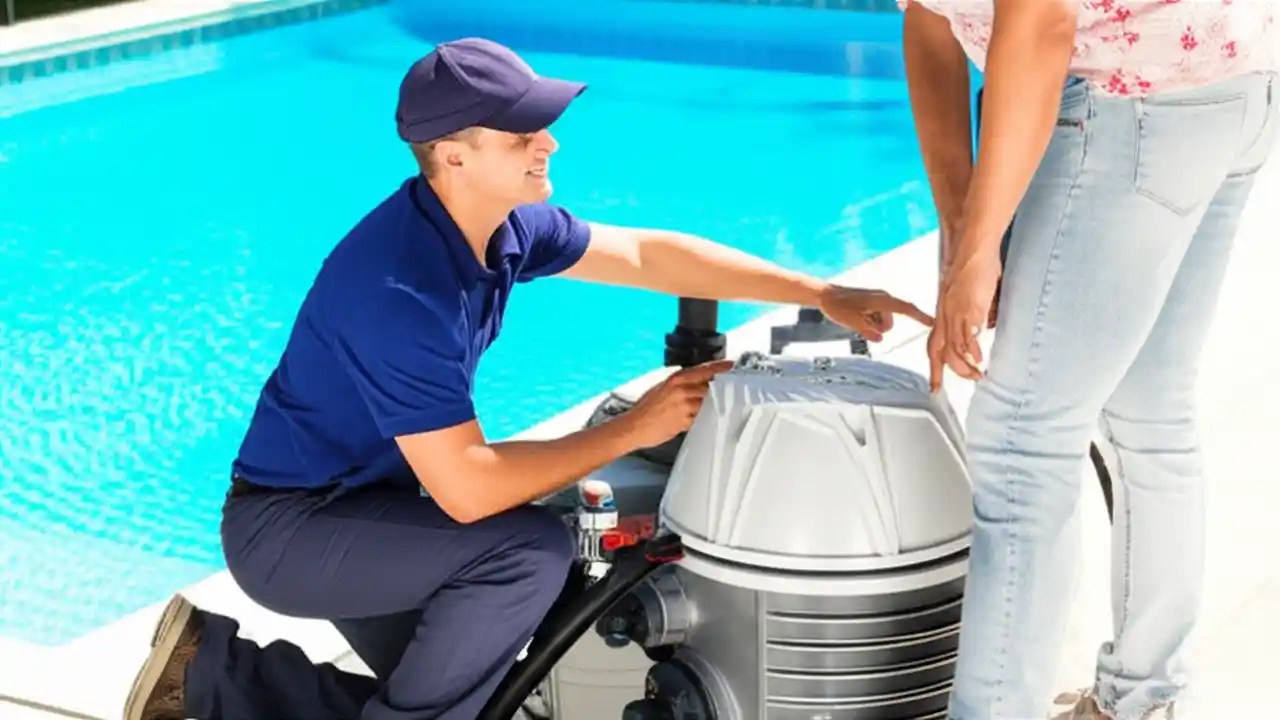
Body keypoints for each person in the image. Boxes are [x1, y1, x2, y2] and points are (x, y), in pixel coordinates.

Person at [122, 37, 932, 720]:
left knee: (488, 698)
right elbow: (470, 491)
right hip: (297, 531)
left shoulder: (495, 228)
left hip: (375, 508)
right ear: (454, 155)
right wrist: (632, 429)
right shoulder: (399, 290)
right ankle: (216, 674)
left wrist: (819, 291)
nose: (549, 143)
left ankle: (204, 674)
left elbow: (644, 254)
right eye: (521, 134)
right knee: (526, 553)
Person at [900, 0, 1279, 718]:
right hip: (1225, 81)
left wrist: (980, 251)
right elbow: (927, 21)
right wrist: (961, 224)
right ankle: (1143, 699)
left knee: (1021, 440)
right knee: (1149, 411)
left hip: (1127, 102)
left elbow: (1041, 23)